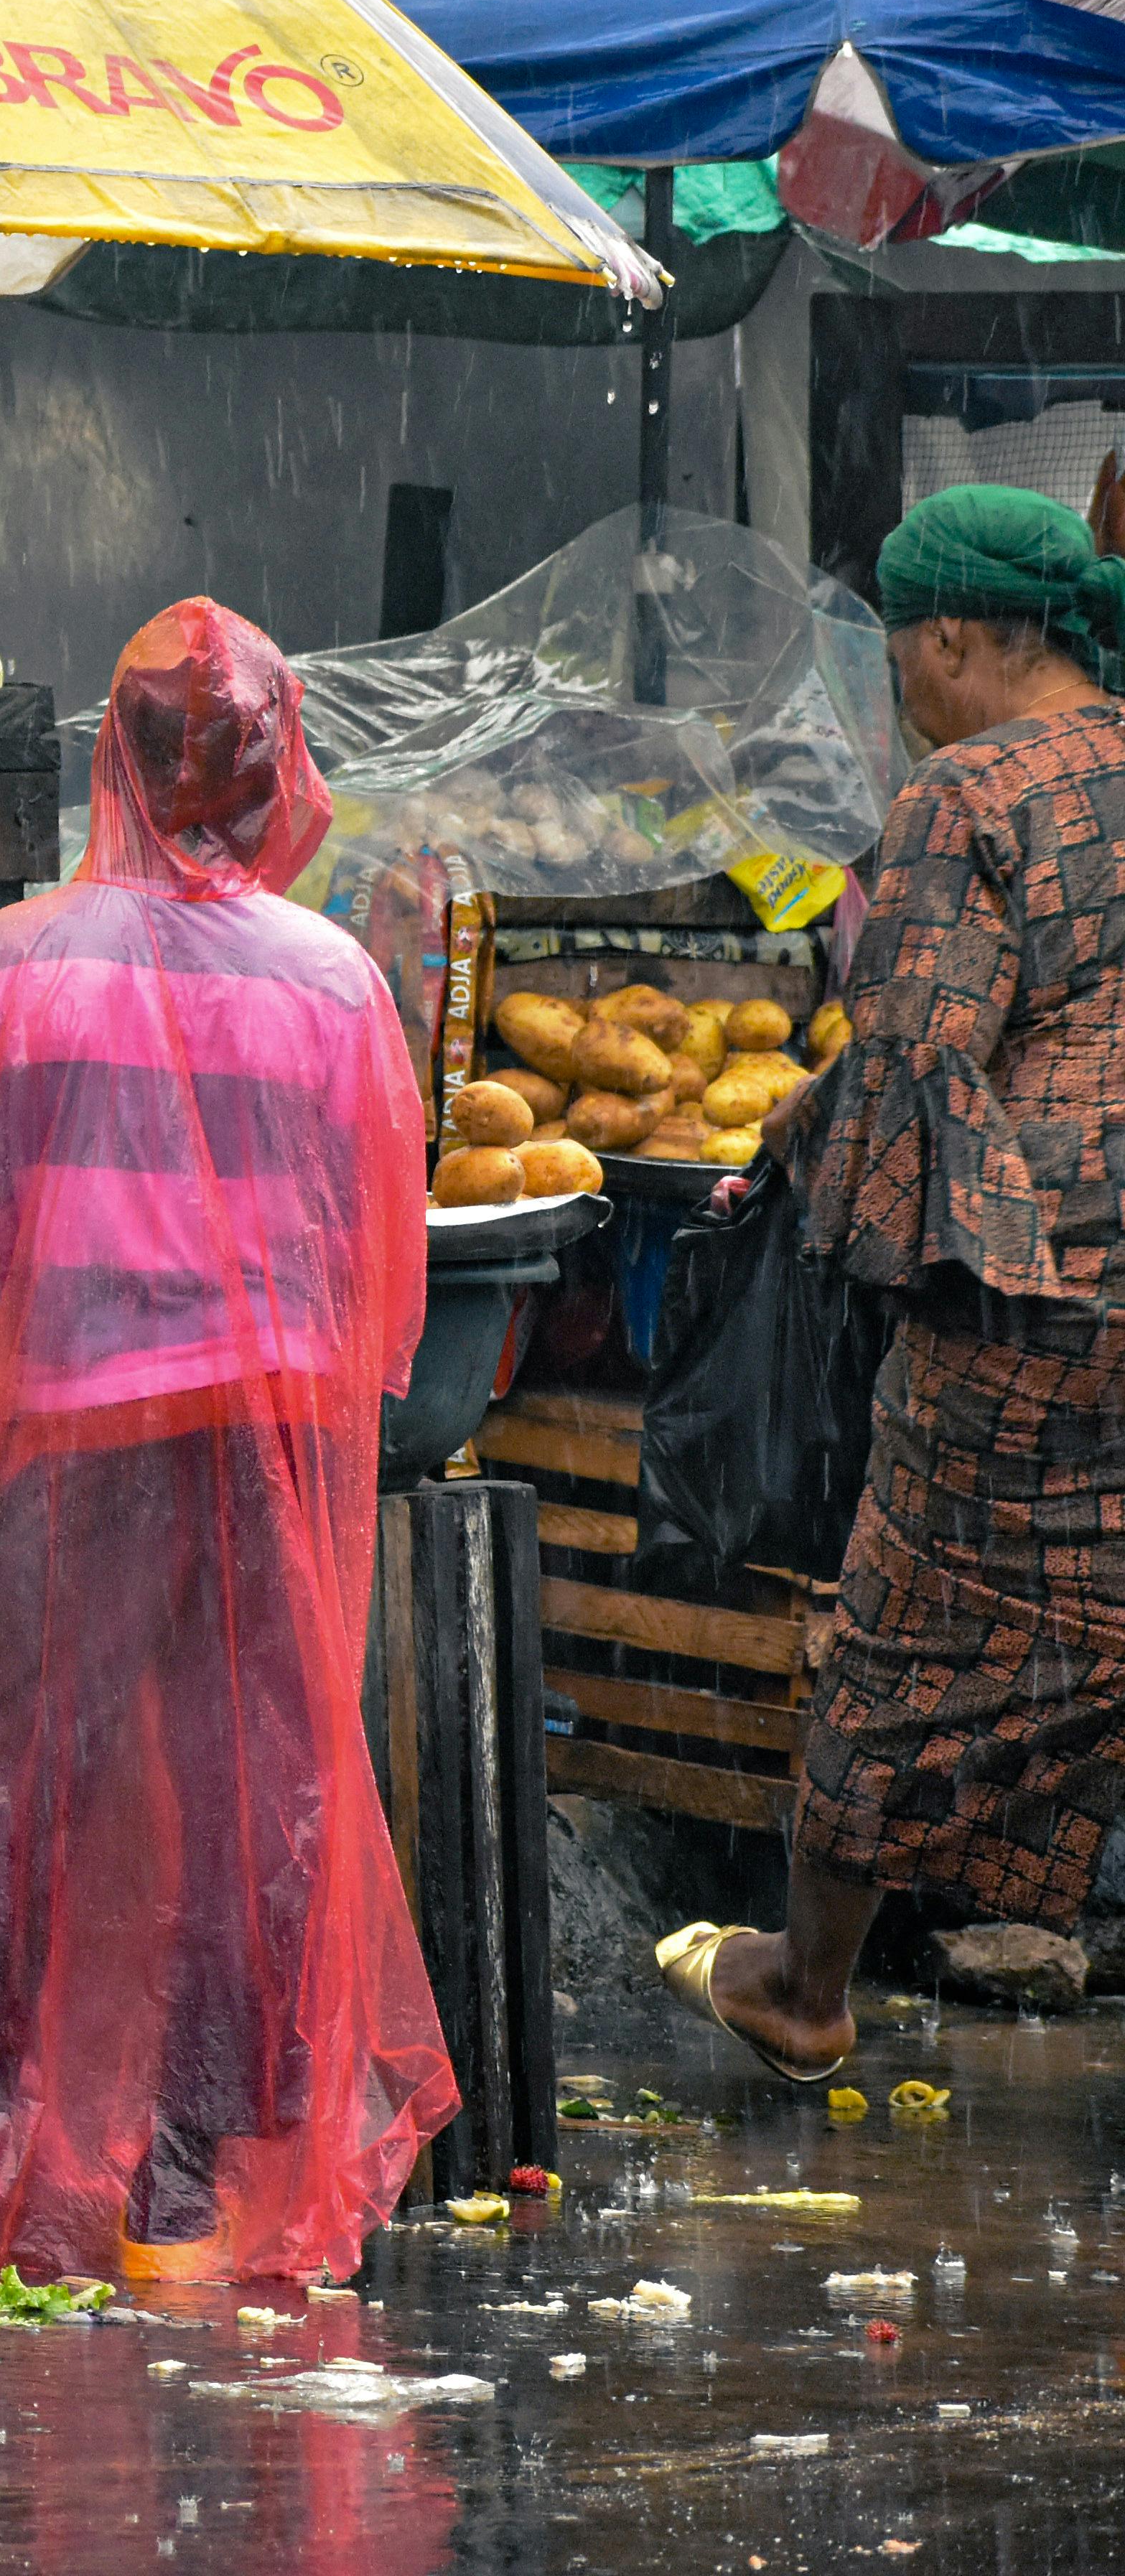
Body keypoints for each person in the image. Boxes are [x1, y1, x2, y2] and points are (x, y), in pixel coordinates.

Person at [0, 599, 449, 2287]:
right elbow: (385, 1273)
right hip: (261, 1454)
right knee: (255, 1793)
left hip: (67, 1450)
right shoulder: (337, 983)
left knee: (2, 1788)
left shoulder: (16, 960)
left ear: (119, 758)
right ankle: (185, 2187)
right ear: (274, 772)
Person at [666, 485, 1125, 2076]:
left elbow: (924, 1052)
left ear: (947, 638)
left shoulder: (969, 789)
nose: (899, 701)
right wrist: (814, 1118)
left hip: (1040, 1296)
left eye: (898, 661)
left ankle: (806, 1984)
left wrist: (812, 1204)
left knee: (906, 1613)